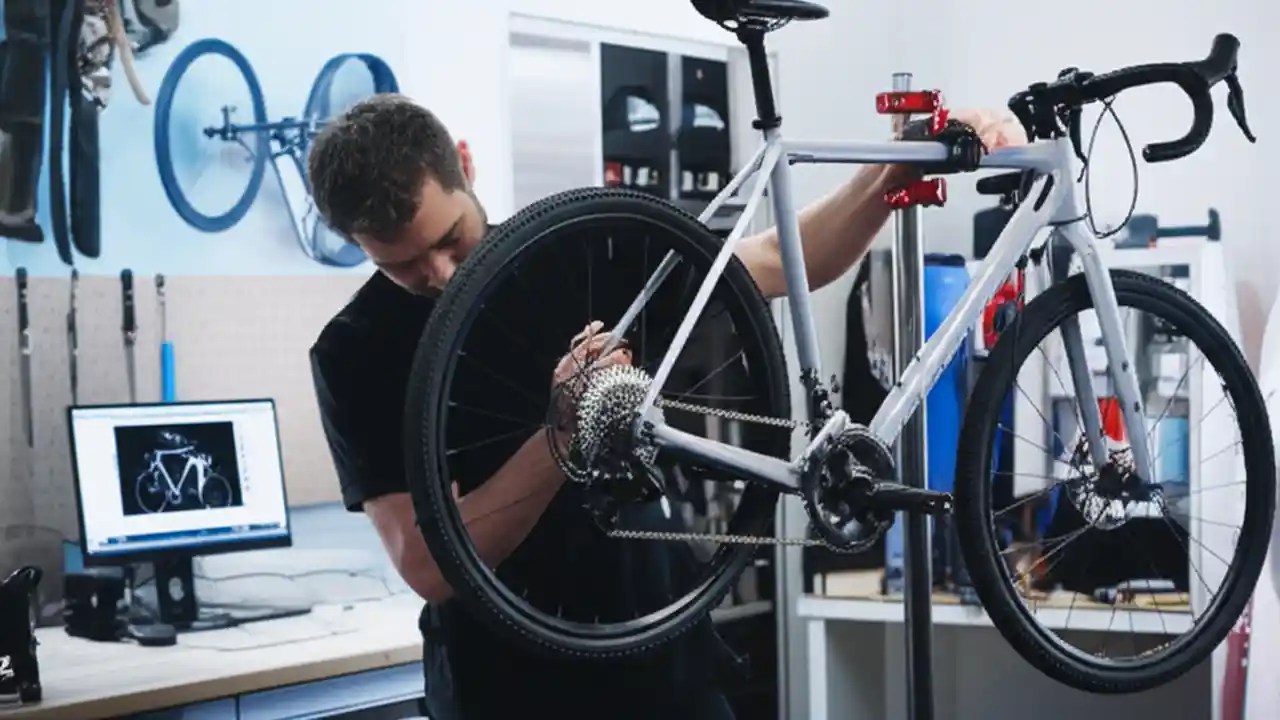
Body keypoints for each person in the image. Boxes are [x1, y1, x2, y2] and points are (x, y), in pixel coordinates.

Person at [307, 93, 1024, 719]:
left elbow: (777, 261)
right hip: (506, 689)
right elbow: (431, 567)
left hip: (658, 657)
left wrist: (887, 178)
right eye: (397, 264)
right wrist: (563, 432)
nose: (437, 275)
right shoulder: (354, 352)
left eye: (448, 239)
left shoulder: (569, 246)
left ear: (465, 163)